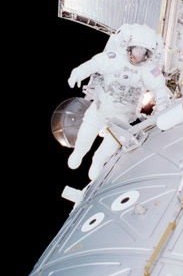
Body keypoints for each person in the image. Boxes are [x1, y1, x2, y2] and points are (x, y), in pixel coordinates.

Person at [66, 23, 173, 179]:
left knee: (109, 148)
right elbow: (94, 64)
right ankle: (79, 153)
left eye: (144, 52)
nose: (139, 54)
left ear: (148, 53)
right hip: (100, 109)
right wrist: (78, 72)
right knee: (84, 137)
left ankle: (98, 162)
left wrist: (163, 105)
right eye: (137, 49)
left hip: (122, 117)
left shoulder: (149, 70)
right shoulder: (114, 58)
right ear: (129, 48)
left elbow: (160, 88)